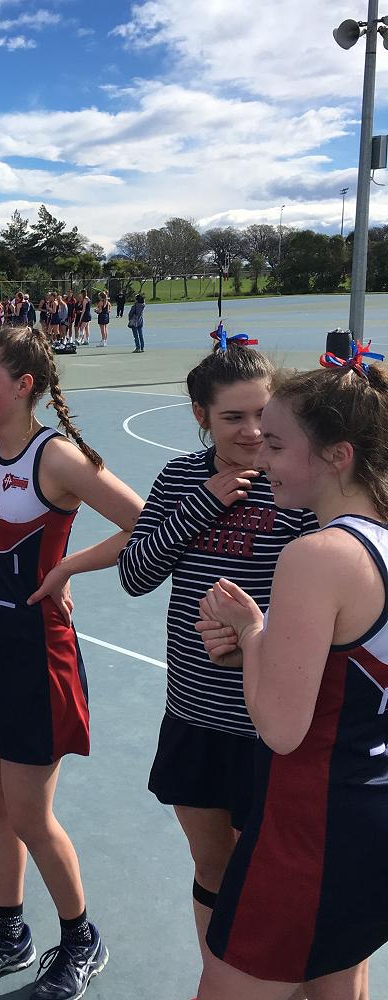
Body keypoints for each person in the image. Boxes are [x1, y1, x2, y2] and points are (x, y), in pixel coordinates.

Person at [0, 327, 142, 997]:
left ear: (23, 384)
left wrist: (66, 568)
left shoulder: (55, 459)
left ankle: (82, 937)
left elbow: (142, 522)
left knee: (30, 813)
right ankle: (10, 931)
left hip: (37, 648)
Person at [118, 335, 317, 992]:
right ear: (202, 416)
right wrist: (206, 501)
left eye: (263, 414)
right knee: (213, 866)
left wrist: (255, 640)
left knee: (286, 883)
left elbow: (322, 604)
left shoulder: (299, 488)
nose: (253, 431)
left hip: (274, 729)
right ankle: (221, 975)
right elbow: (136, 573)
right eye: (233, 417)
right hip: (196, 718)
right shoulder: (180, 478)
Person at [195, 352, 388, 1000]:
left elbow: (280, 728)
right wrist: (263, 647)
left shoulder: (317, 555)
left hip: (311, 829)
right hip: (371, 819)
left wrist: (253, 636)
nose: (262, 458)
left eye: (276, 444)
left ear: (337, 455)